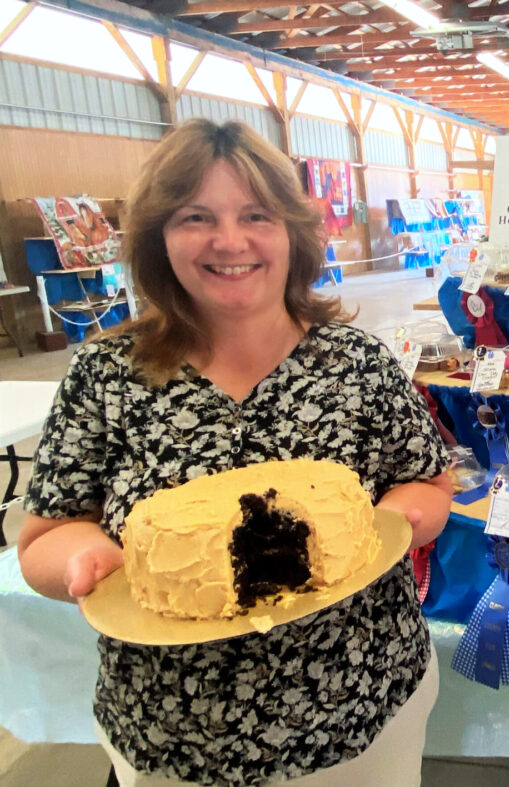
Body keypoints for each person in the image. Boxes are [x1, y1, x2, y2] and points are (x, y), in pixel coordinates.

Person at [17, 119, 453, 786]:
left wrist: (402, 518)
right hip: (174, 739)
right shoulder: (108, 372)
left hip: (362, 710)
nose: (230, 240)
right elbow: (44, 536)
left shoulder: (356, 362)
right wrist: (81, 558)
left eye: (257, 214)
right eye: (196, 217)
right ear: (159, 237)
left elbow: (426, 478)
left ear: (292, 233)